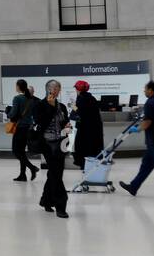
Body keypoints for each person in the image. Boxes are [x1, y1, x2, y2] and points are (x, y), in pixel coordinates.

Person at [32, 79, 71, 219]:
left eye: (58, 89)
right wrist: (51, 107)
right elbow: (41, 122)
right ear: (49, 89)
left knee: (56, 173)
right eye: (55, 89)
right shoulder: (40, 105)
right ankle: (61, 205)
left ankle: (46, 200)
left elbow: (65, 121)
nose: (57, 91)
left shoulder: (62, 106)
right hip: (47, 144)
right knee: (55, 173)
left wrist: (67, 126)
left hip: (61, 143)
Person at [8, 78, 39, 181]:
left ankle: (32, 168)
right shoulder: (31, 99)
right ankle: (22, 175)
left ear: (18, 87)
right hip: (28, 127)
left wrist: (8, 112)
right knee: (21, 151)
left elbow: (12, 113)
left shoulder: (17, 98)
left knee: (16, 151)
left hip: (20, 127)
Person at [71, 80, 104, 169]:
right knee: (93, 147)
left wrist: (72, 106)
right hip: (94, 129)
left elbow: (79, 113)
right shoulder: (91, 98)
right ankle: (92, 164)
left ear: (78, 89)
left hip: (85, 129)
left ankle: (83, 165)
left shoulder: (81, 99)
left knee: (81, 147)